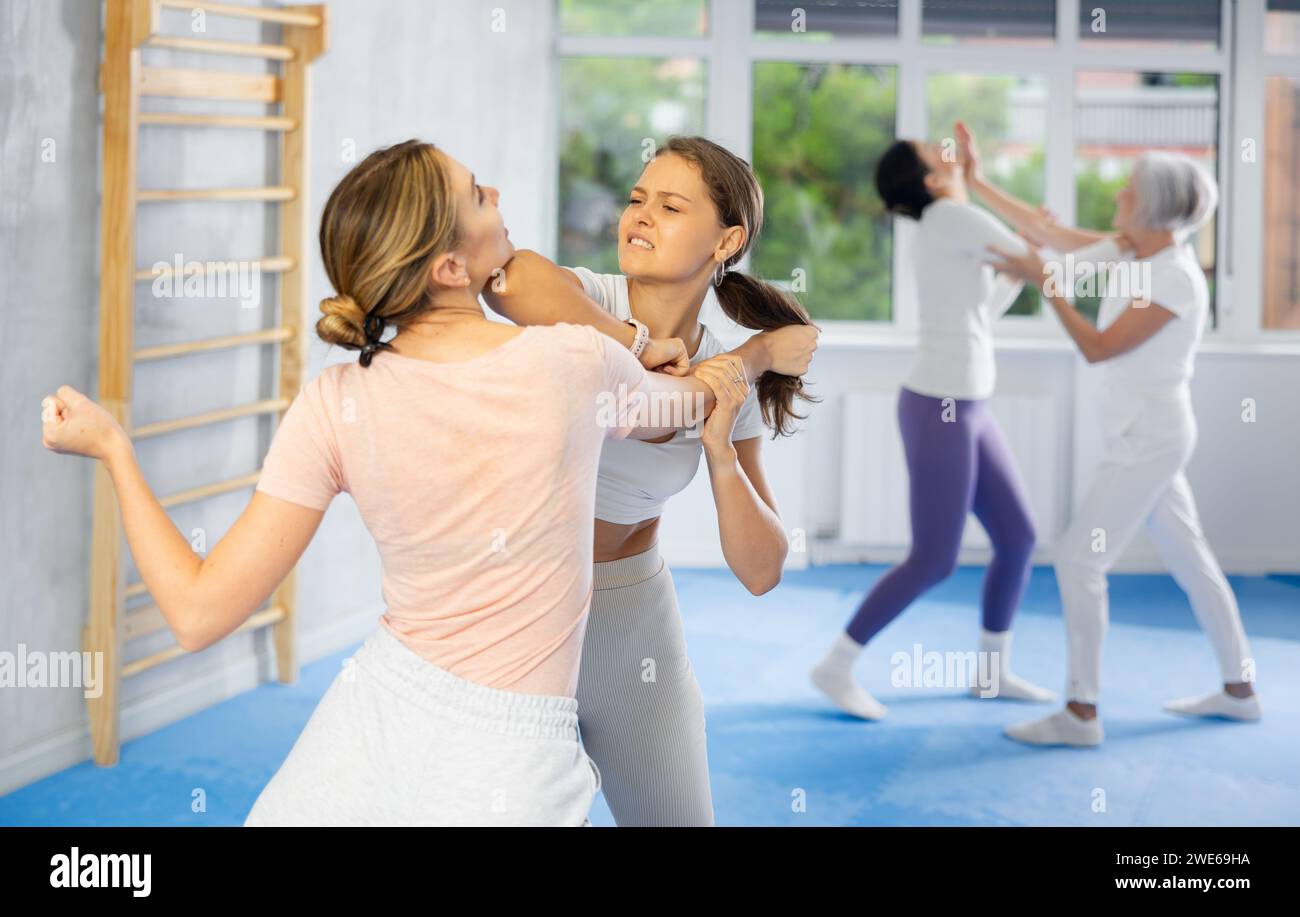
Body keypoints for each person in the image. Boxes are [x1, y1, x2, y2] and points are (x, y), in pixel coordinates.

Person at [40, 139, 734, 825]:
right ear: (450, 266)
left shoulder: (334, 399)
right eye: (477, 193)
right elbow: (694, 400)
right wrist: (695, 356)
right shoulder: (576, 363)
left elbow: (196, 614)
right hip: (509, 754)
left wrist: (113, 449)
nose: (496, 195)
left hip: (373, 717)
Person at [484, 136, 819, 825]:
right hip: (526, 612)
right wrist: (651, 347)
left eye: (670, 206)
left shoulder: (725, 374)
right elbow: (510, 280)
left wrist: (721, 448)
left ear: (726, 240)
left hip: (635, 617)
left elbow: (762, 570)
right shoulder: (586, 301)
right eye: (637, 199)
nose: (640, 216)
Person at [974, 129, 1262, 746]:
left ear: (1153, 209)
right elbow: (1050, 239)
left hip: (1151, 440)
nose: (1117, 198)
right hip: (1145, 436)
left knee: (1080, 558)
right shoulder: (1136, 252)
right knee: (1192, 559)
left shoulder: (1175, 277)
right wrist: (975, 182)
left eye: (1127, 193)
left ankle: (1081, 712)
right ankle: (1241, 689)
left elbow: (1098, 348)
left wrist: (1044, 281)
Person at [811, 133, 1055, 723]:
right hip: (940, 405)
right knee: (933, 559)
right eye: (935, 152)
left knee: (1018, 538)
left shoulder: (948, 222)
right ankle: (836, 666)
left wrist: (1022, 247)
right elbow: (1041, 265)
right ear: (928, 181)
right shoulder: (952, 217)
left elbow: (986, 308)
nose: (946, 152)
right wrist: (1038, 238)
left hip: (967, 405)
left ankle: (990, 676)